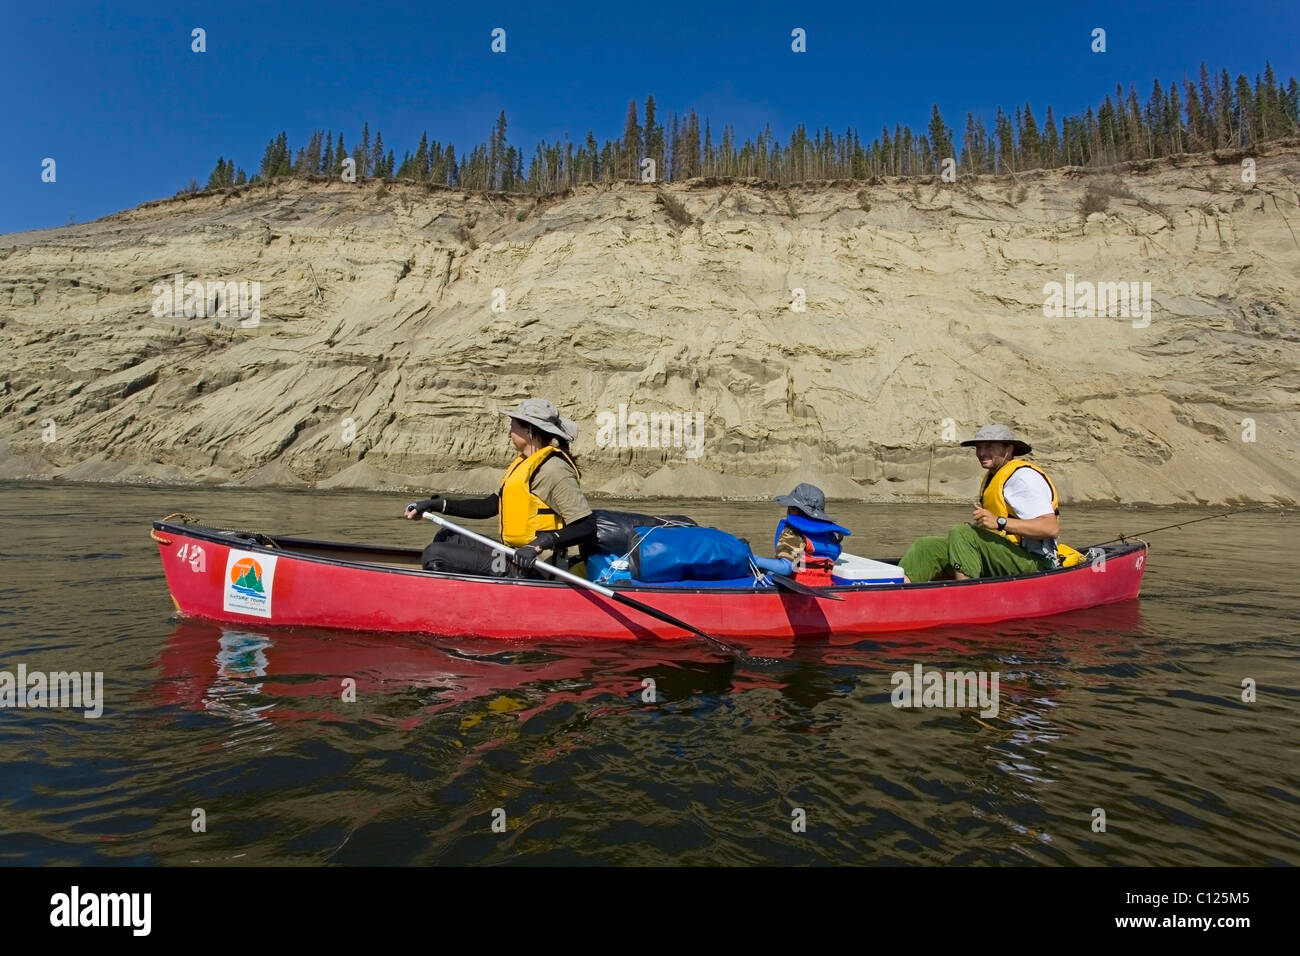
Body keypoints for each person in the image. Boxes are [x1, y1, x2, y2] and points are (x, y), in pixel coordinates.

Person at [404, 398, 597, 576]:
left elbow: (586, 526)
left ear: (528, 430)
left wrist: (538, 545)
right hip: (514, 556)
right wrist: (436, 505)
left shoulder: (553, 469)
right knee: (448, 537)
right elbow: (489, 506)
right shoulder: (525, 463)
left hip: (535, 566)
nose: (508, 434)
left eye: (512, 428)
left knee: (435, 554)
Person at [899, 424, 1082, 583]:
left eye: (989, 446)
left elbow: (1050, 528)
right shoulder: (995, 475)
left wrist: (999, 522)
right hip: (1007, 557)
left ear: (1008, 449)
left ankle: (967, 597)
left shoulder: (1022, 478)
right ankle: (897, 592)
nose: (981, 453)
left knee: (962, 533)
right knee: (927, 546)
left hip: (1035, 564)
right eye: (978, 447)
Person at [751, 483, 850, 585]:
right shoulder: (830, 535)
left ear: (793, 510)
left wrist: (754, 559)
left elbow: (786, 568)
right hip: (823, 585)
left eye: (790, 508)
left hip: (799, 585)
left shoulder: (794, 532)